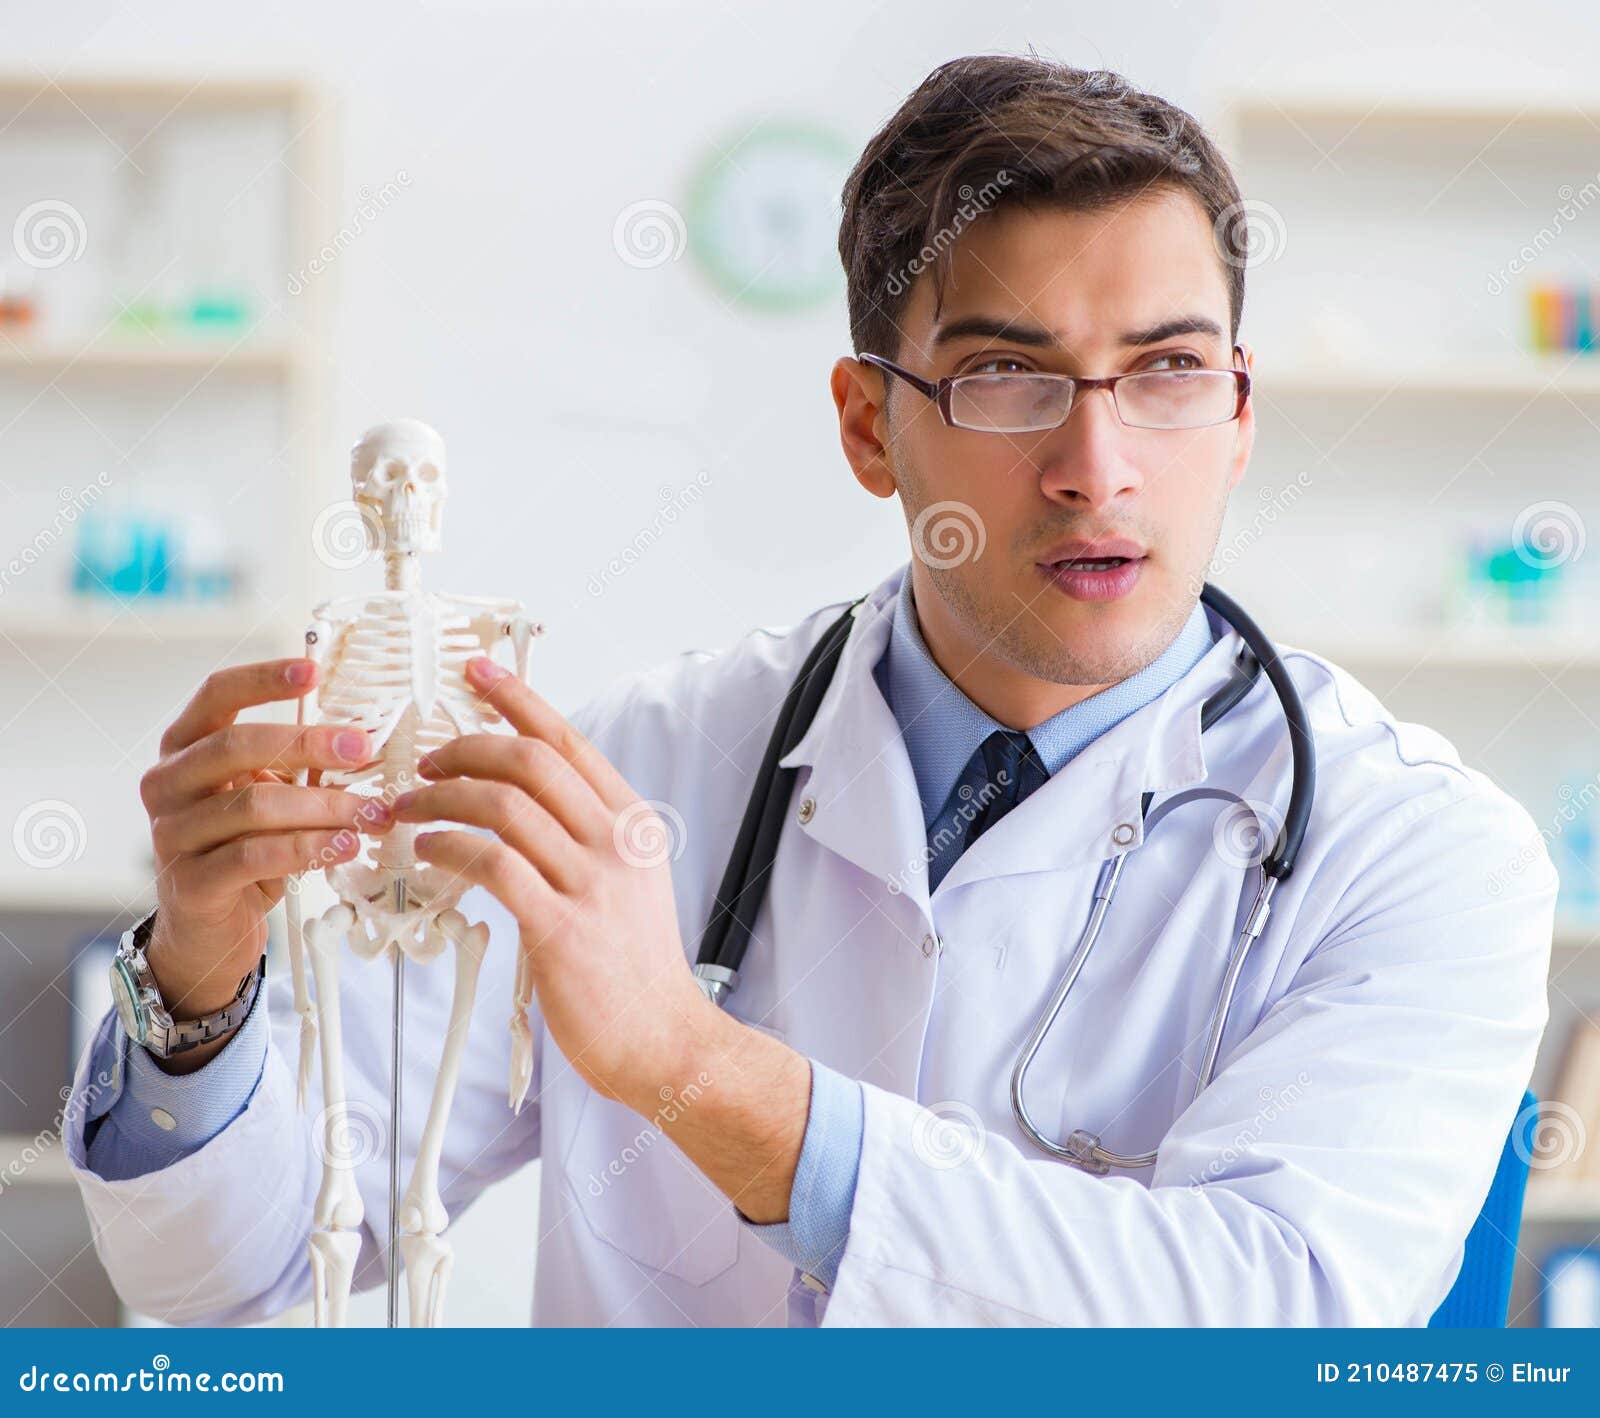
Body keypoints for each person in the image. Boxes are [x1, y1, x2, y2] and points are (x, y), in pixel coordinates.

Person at [64, 53, 1556, 1327]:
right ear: (866, 424)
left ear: (1236, 414)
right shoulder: (638, 769)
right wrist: (203, 979)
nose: (1097, 464)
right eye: (1006, 375)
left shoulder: (1414, 847)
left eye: (1165, 371)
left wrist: (692, 1065)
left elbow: (1267, 1319)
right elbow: (235, 1275)